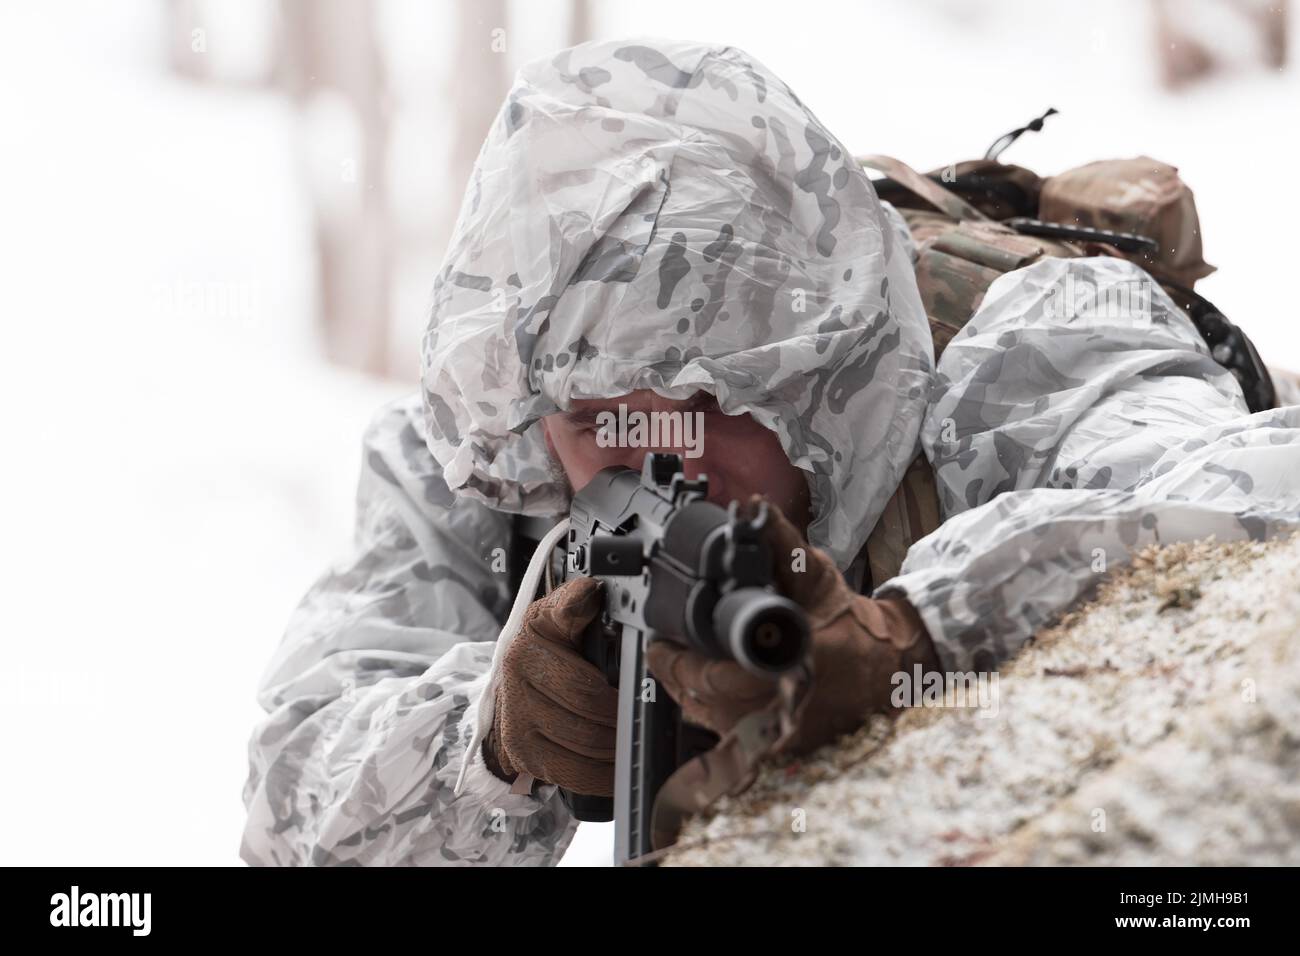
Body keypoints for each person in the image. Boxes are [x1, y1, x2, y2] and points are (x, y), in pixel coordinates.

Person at [240, 38, 1300, 866]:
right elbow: (289, 812)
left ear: (812, 373)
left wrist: (918, 637)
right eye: (599, 420)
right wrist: (487, 743)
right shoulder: (495, 435)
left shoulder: (1019, 340)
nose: (655, 463)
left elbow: (1261, 490)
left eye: (702, 406)